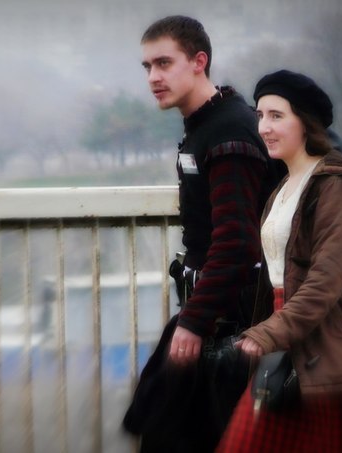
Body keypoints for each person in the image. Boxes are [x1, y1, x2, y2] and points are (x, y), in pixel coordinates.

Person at [122, 15, 282, 452]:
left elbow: (237, 244)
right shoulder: (208, 124)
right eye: (147, 67)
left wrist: (194, 323)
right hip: (215, 312)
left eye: (164, 63)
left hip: (234, 322)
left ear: (198, 62)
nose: (153, 78)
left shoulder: (229, 131)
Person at [217, 70, 342, 452]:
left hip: (329, 353)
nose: (263, 127)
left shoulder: (336, 187)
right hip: (285, 344)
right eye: (260, 115)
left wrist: (264, 335)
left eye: (277, 116)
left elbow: (325, 282)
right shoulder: (282, 189)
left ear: (306, 123)